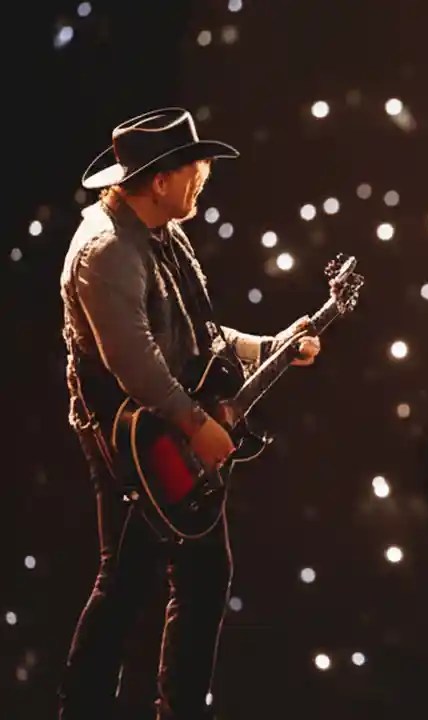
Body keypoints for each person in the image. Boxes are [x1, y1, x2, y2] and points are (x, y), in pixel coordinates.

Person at [58, 107, 321, 720]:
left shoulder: (162, 233)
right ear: (159, 180)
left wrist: (266, 346)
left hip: (166, 432)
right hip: (128, 444)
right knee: (123, 586)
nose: (204, 174)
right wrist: (195, 424)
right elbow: (135, 363)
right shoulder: (105, 251)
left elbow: (192, 336)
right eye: (195, 165)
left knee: (203, 578)